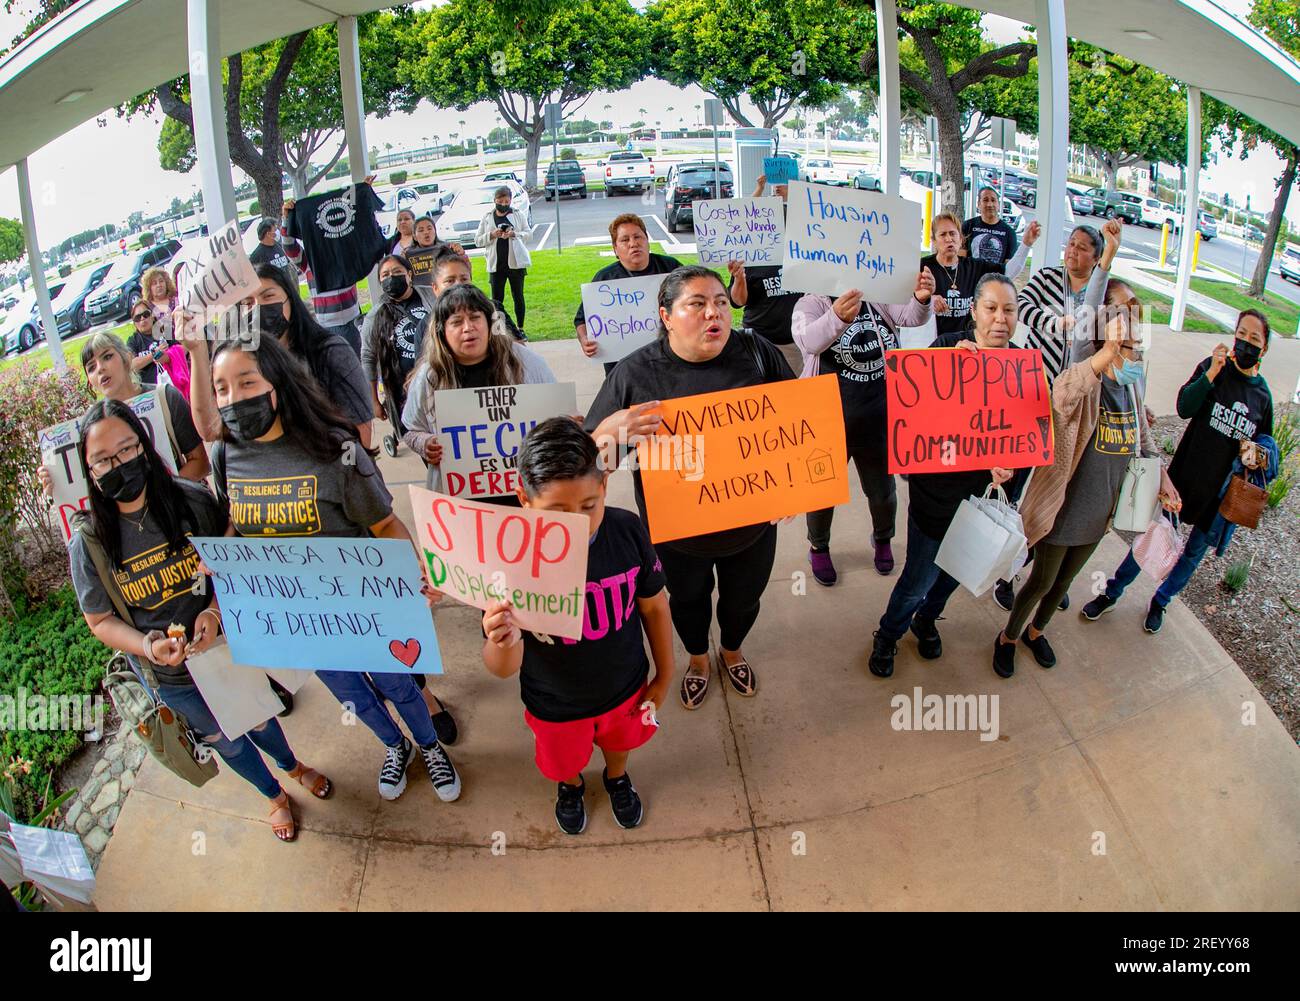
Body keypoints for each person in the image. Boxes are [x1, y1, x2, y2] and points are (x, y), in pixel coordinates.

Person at [209, 334, 462, 803]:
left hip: (365, 607)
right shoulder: (226, 456)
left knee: (399, 686)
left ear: (277, 382)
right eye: (221, 388)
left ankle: (429, 746)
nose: (233, 399)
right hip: (304, 621)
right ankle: (395, 747)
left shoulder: (334, 448)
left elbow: (385, 523)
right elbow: (236, 527)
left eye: (246, 382)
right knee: (352, 696)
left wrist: (415, 577)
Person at [67, 400, 327, 841]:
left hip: (223, 650)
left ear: (146, 448)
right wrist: (149, 646)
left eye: (128, 450)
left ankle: (292, 766)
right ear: (89, 472)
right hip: (170, 677)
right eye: (104, 460)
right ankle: (274, 796)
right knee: (224, 740)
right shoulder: (89, 542)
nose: (119, 465)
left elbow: (233, 564)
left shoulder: (192, 502)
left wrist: (213, 611)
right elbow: (99, 620)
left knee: (259, 719)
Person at [587, 265, 795, 709]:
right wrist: (612, 428)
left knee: (743, 602)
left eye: (720, 302)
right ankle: (699, 659)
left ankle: (732, 651)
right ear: (666, 316)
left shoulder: (758, 354)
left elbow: (797, 423)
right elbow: (593, 465)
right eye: (696, 305)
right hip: (677, 533)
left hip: (752, 527)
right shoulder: (634, 375)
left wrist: (794, 486)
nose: (712, 314)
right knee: (687, 602)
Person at [993, 223, 1180, 678]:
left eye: (1133, 325)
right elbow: (1086, 325)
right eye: (1119, 320)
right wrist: (1106, 259)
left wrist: (1164, 480)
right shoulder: (1084, 370)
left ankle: (1037, 632)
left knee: (1063, 584)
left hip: (1102, 510)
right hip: (1066, 505)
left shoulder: (1132, 384)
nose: (1128, 333)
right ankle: (1009, 635)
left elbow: (1145, 439)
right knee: (1040, 581)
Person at [481, 418, 674, 834]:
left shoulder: (626, 530)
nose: (578, 523)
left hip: (626, 687)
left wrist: (666, 673)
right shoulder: (509, 561)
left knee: (620, 745)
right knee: (564, 761)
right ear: (524, 500)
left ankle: (616, 777)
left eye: (589, 506)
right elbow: (501, 667)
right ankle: (570, 786)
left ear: (604, 486)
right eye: (557, 512)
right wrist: (502, 637)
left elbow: (654, 607)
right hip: (554, 705)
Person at [1082, 309, 1276, 633]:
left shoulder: (1263, 398)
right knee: (1150, 538)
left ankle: (1161, 601)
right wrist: (1211, 373)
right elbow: (1185, 406)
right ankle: (1113, 591)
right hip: (1185, 478)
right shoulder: (1214, 368)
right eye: (1241, 333)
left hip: (1218, 497)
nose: (1245, 342)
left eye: (1254, 338)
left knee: (1191, 554)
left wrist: (1257, 455)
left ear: (1265, 348)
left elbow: (1263, 447)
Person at [868, 274, 1021, 677]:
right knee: (917, 579)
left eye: (1009, 309)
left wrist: (1009, 468)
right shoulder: (943, 350)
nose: (1000, 319)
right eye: (991, 308)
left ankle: (926, 620)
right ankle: (888, 634)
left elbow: (1026, 437)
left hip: (981, 504)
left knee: (955, 573)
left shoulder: (1023, 366)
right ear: (973, 311)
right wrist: (950, 368)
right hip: (936, 498)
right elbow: (914, 420)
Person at [792, 272, 936, 583]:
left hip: (878, 417)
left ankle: (882, 540)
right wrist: (836, 317)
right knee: (821, 492)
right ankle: (819, 546)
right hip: (830, 421)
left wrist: (921, 298)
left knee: (883, 493)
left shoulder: (877, 294)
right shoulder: (810, 303)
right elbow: (808, 341)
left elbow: (911, 316)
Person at [183, 263, 375, 449]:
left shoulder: (330, 352)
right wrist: (196, 349)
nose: (257, 307)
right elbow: (209, 430)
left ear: (290, 299)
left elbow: (360, 433)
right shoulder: (239, 365)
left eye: (268, 296)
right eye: (247, 303)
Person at [402, 283, 555, 493]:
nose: (468, 328)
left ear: (489, 323)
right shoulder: (429, 376)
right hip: (463, 500)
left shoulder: (526, 363)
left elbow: (556, 415)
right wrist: (426, 443)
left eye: (475, 318)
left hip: (524, 492)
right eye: (456, 322)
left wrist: (565, 423)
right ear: (442, 331)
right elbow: (411, 431)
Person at [38, 331, 210, 498]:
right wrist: (57, 486)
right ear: (90, 382)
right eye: (91, 367)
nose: (100, 368)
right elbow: (88, 493)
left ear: (127, 358)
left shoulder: (166, 397)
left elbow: (200, 463)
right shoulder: (92, 430)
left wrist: (160, 494)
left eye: (107, 357)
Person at [280, 181, 380, 358]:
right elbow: (289, 247)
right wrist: (286, 218)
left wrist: (362, 192)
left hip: (353, 319)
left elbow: (360, 228)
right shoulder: (308, 261)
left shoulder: (346, 254)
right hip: (326, 325)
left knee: (356, 363)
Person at [574, 214, 683, 369]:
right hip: (621, 367)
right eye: (625, 240)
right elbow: (581, 320)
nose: (633, 244)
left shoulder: (671, 268)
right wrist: (584, 339)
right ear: (615, 249)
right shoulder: (604, 279)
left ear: (647, 242)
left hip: (670, 360)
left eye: (638, 237)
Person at [726, 174, 803, 373]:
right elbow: (737, 301)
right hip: (759, 341)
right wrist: (739, 279)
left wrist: (791, 195)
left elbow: (814, 215)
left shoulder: (804, 251)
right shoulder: (751, 254)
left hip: (795, 342)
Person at [924, 211, 1039, 341]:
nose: (949, 239)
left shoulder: (974, 266)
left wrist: (1026, 244)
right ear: (933, 240)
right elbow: (906, 299)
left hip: (968, 344)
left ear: (961, 239)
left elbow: (1008, 272)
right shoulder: (923, 266)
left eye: (952, 234)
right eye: (942, 234)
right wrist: (928, 300)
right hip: (933, 345)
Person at [1017, 224, 1106, 384]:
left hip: (1078, 385)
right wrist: (1054, 323)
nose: (1073, 250)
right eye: (1071, 244)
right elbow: (1019, 306)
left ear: (1096, 259)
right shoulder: (1047, 277)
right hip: (1035, 378)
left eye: (1082, 247)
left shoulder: (1102, 291)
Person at [359, 254, 436, 430]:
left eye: (397, 271)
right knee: (419, 438)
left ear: (409, 274)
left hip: (437, 382)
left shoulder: (431, 296)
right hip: (402, 392)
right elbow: (368, 357)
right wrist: (374, 400)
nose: (391, 277)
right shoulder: (374, 316)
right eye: (385, 275)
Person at [477, 186, 532, 334]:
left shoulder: (518, 214)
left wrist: (514, 234)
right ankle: (499, 330)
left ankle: (520, 328)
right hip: (496, 265)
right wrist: (492, 235)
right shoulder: (488, 217)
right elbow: (477, 240)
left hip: (515, 264)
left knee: (518, 296)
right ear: (495, 200)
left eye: (507, 201)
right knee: (496, 299)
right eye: (500, 201)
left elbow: (528, 234)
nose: (504, 204)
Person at [125, 300, 189, 397]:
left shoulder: (165, 330)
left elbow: (184, 348)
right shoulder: (133, 341)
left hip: (174, 386)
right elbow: (131, 365)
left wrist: (168, 356)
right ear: (134, 323)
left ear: (152, 315)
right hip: (149, 394)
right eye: (138, 318)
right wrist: (154, 354)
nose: (142, 319)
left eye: (146, 314)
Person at [962, 187, 1018, 266]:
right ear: (978, 204)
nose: (989, 204)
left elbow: (1009, 267)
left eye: (993, 200)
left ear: (998, 205)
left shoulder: (1009, 233)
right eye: (985, 200)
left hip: (996, 277)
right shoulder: (967, 226)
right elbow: (960, 260)